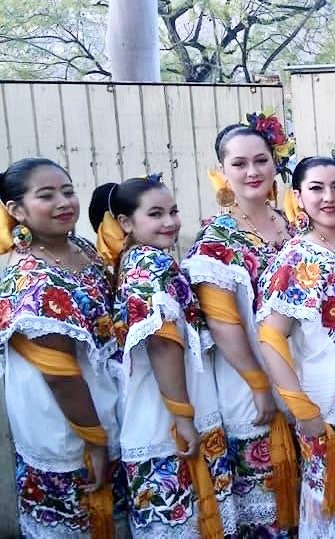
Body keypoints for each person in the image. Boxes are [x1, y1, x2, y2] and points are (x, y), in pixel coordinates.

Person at [90, 175, 236, 537]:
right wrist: (184, 418)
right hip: (167, 419)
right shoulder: (152, 266)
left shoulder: (133, 260)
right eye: (155, 214)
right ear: (126, 222)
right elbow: (162, 344)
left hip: (155, 412)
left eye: (173, 211)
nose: (169, 222)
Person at [181, 110, 298, 536]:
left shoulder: (294, 225)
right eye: (240, 163)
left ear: (275, 161)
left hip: (303, 378)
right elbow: (225, 325)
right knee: (265, 508)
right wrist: (260, 386)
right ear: (222, 172)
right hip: (252, 387)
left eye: (261, 160)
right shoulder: (217, 241)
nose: (253, 171)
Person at [256, 149, 335, 536]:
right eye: (316, 188)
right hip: (326, 406)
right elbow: (271, 335)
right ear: (297, 197)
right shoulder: (296, 258)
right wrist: (300, 408)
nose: (329, 197)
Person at [0, 158, 123, 537]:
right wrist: (95, 441)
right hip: (69, 429)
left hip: (107, 406)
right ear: (16, 210)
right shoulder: (30, 279)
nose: (63, 202)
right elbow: (61, 377)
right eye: (47, 195)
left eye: (67, 191)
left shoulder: (81, 248)